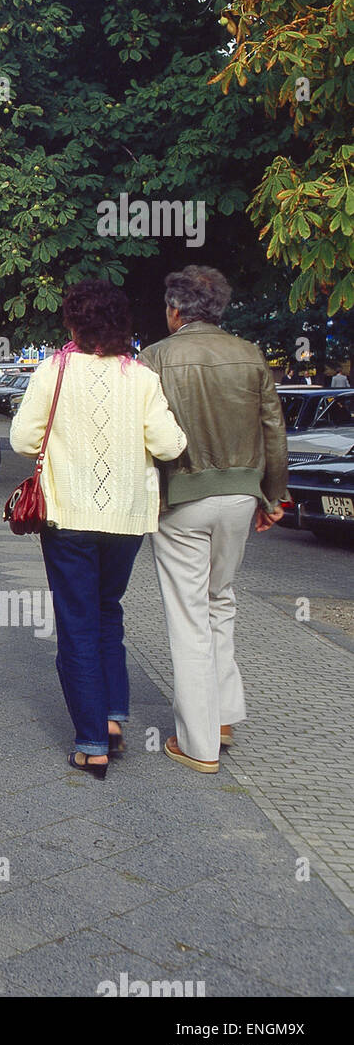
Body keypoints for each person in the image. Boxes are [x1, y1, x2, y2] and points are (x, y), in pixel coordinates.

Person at [10, 279, 186, 779]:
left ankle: (92, 744)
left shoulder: (54, 370)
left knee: (77, 622)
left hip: (68, 517)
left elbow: (23, 438)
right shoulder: (142, 377)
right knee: (108, 611)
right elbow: (171, 445)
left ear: (72, 322)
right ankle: (112, 718)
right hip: (127, 519)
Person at [139, 266, 287, 773]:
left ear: (176, 310)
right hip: (242, 495)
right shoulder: (249, 354)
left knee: (188, 619)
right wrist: (273, 496)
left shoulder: (155, 357)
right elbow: (273, 430)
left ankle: (198, 744)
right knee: (220, 601)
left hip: (182, 497)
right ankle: (223, 718)